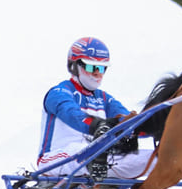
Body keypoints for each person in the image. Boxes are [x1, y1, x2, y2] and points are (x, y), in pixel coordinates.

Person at [37, 37, 155, 180]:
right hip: (55, 159)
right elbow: (73, 116)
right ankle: (94, 159)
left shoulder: (105, 98)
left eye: (102, 68)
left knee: (158, 158)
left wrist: (154, 128)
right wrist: (98, 125)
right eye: (91, 67)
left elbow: (128, 121)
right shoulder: (58, 93)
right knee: (87, 150)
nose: (97, 73)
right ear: (74, 66)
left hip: (98, 156)